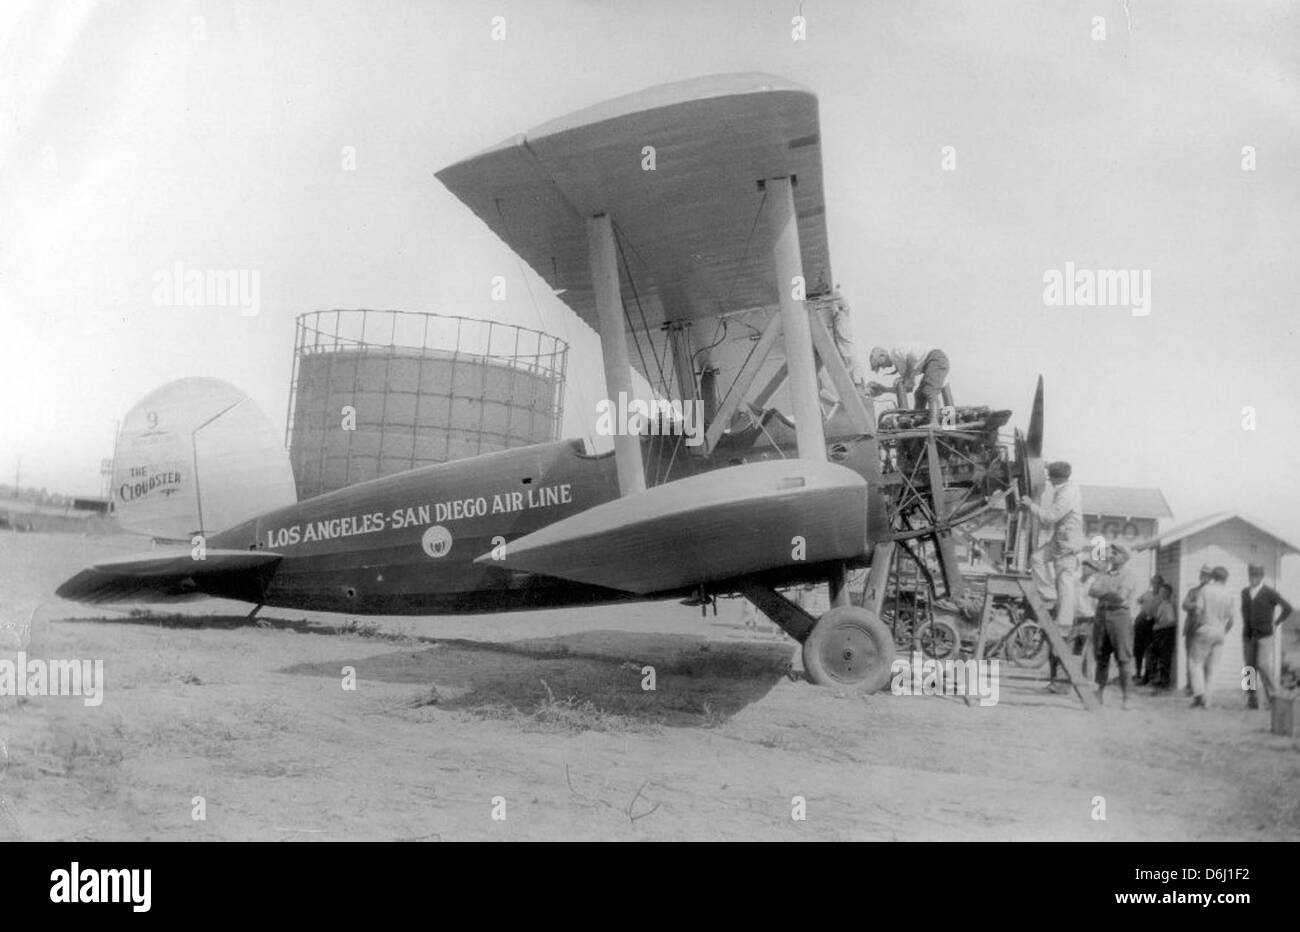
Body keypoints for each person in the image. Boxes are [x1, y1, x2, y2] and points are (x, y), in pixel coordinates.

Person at [1023, 461, 1084, 622]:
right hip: (1060, 539)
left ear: (1057, 478)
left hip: (1067, 543)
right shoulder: (1068, 486)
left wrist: (1031, 506)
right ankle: (1048, 594)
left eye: (1051, 478)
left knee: (1064, 580)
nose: (1049, 481)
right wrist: (1045, 464)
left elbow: (1051, 517)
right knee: (1037, 558)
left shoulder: (1066, 494)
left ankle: (1064, 622)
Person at [1088, 542, 1140, 708]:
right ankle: (1098, 694)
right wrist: (1109, 593)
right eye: (1112, 552)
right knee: (1101, 656)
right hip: (1102, 615)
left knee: (1123, 658)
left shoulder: (1128, 575)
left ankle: (1127, 697)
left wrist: (1103, 593)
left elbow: (1120, 597)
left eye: (1116, 553)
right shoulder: (1105, 573)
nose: (1112, 555)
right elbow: (1092, 590)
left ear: (1124, 558)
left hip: (1120, 617)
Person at [1240, 564, 1293, 710]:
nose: (1253, 578)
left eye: (1256, 575)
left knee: (1262, 664)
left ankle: (1276, 695)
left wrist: (1276, 623)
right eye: (1251, 575)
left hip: (1265, 635)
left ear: (1261, 576)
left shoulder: (1269, 592)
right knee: (1249, 667)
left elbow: (1287, 608)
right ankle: (1251, 699)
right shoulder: (1244, 592)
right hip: (1248, 635)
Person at [1189, 566, 1235, 708]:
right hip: (1220, 630)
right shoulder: (1228, 594)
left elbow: (1198, 611)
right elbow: (1231, 620)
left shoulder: (1205, 590)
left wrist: (1196, 626)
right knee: (1214, 668)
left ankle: (1199, 694)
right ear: (1225, 579)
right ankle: (1208, 700)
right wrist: (1224, 631)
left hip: (1205, 627)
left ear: (1213, 577)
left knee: (1195, 662)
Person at [865, 345, 950, 413]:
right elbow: (908, 388)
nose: (883, 368)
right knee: (919, 395)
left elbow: (911, 358)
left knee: (929, 390)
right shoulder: (900, 365)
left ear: (883, 355)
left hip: (935, 358)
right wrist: (884, 389)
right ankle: (919, 419)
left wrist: (906, 377)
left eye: (880, 365)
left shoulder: (895, 353)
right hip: (932, 363)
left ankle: (934, 423)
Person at [1181, 564, 1213, 695]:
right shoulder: (1193, 591)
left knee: (1206, 659)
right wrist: (1197, 604)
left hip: (1206, 629)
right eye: (1202, 575)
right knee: (1191, 658)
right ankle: (1191, 686)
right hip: (1191, 629)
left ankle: (1204, 687)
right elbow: (1185, 604)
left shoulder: (1213, 592)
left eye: (1207, 576)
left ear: (1211, 578)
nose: (1204, 577)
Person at [1133, 574, 1165, 684]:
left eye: (1158, 583)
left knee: (1149, 650)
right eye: (1154, 583)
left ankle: (1148, 675)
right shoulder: (1147, 594)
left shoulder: (1161, 597)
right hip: (1141, 622)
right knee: (1138, 649)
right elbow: (1138, 601)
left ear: (1161, 585)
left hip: (1152, 624)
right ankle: (1137, 673)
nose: (1155, 585)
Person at [1147, 583, 1177, 689]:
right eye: (1160, 591)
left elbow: (1172, 621)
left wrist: (1159, 626)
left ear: (1167, 593)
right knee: (1158, 657)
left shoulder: (1168, 605)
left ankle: (1164, 682)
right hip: (1160, 633)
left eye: (1163, 591)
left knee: (1164, 658)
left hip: (1164, 634)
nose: (1160, 593)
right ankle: (1160, 679)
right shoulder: (1162, 604)